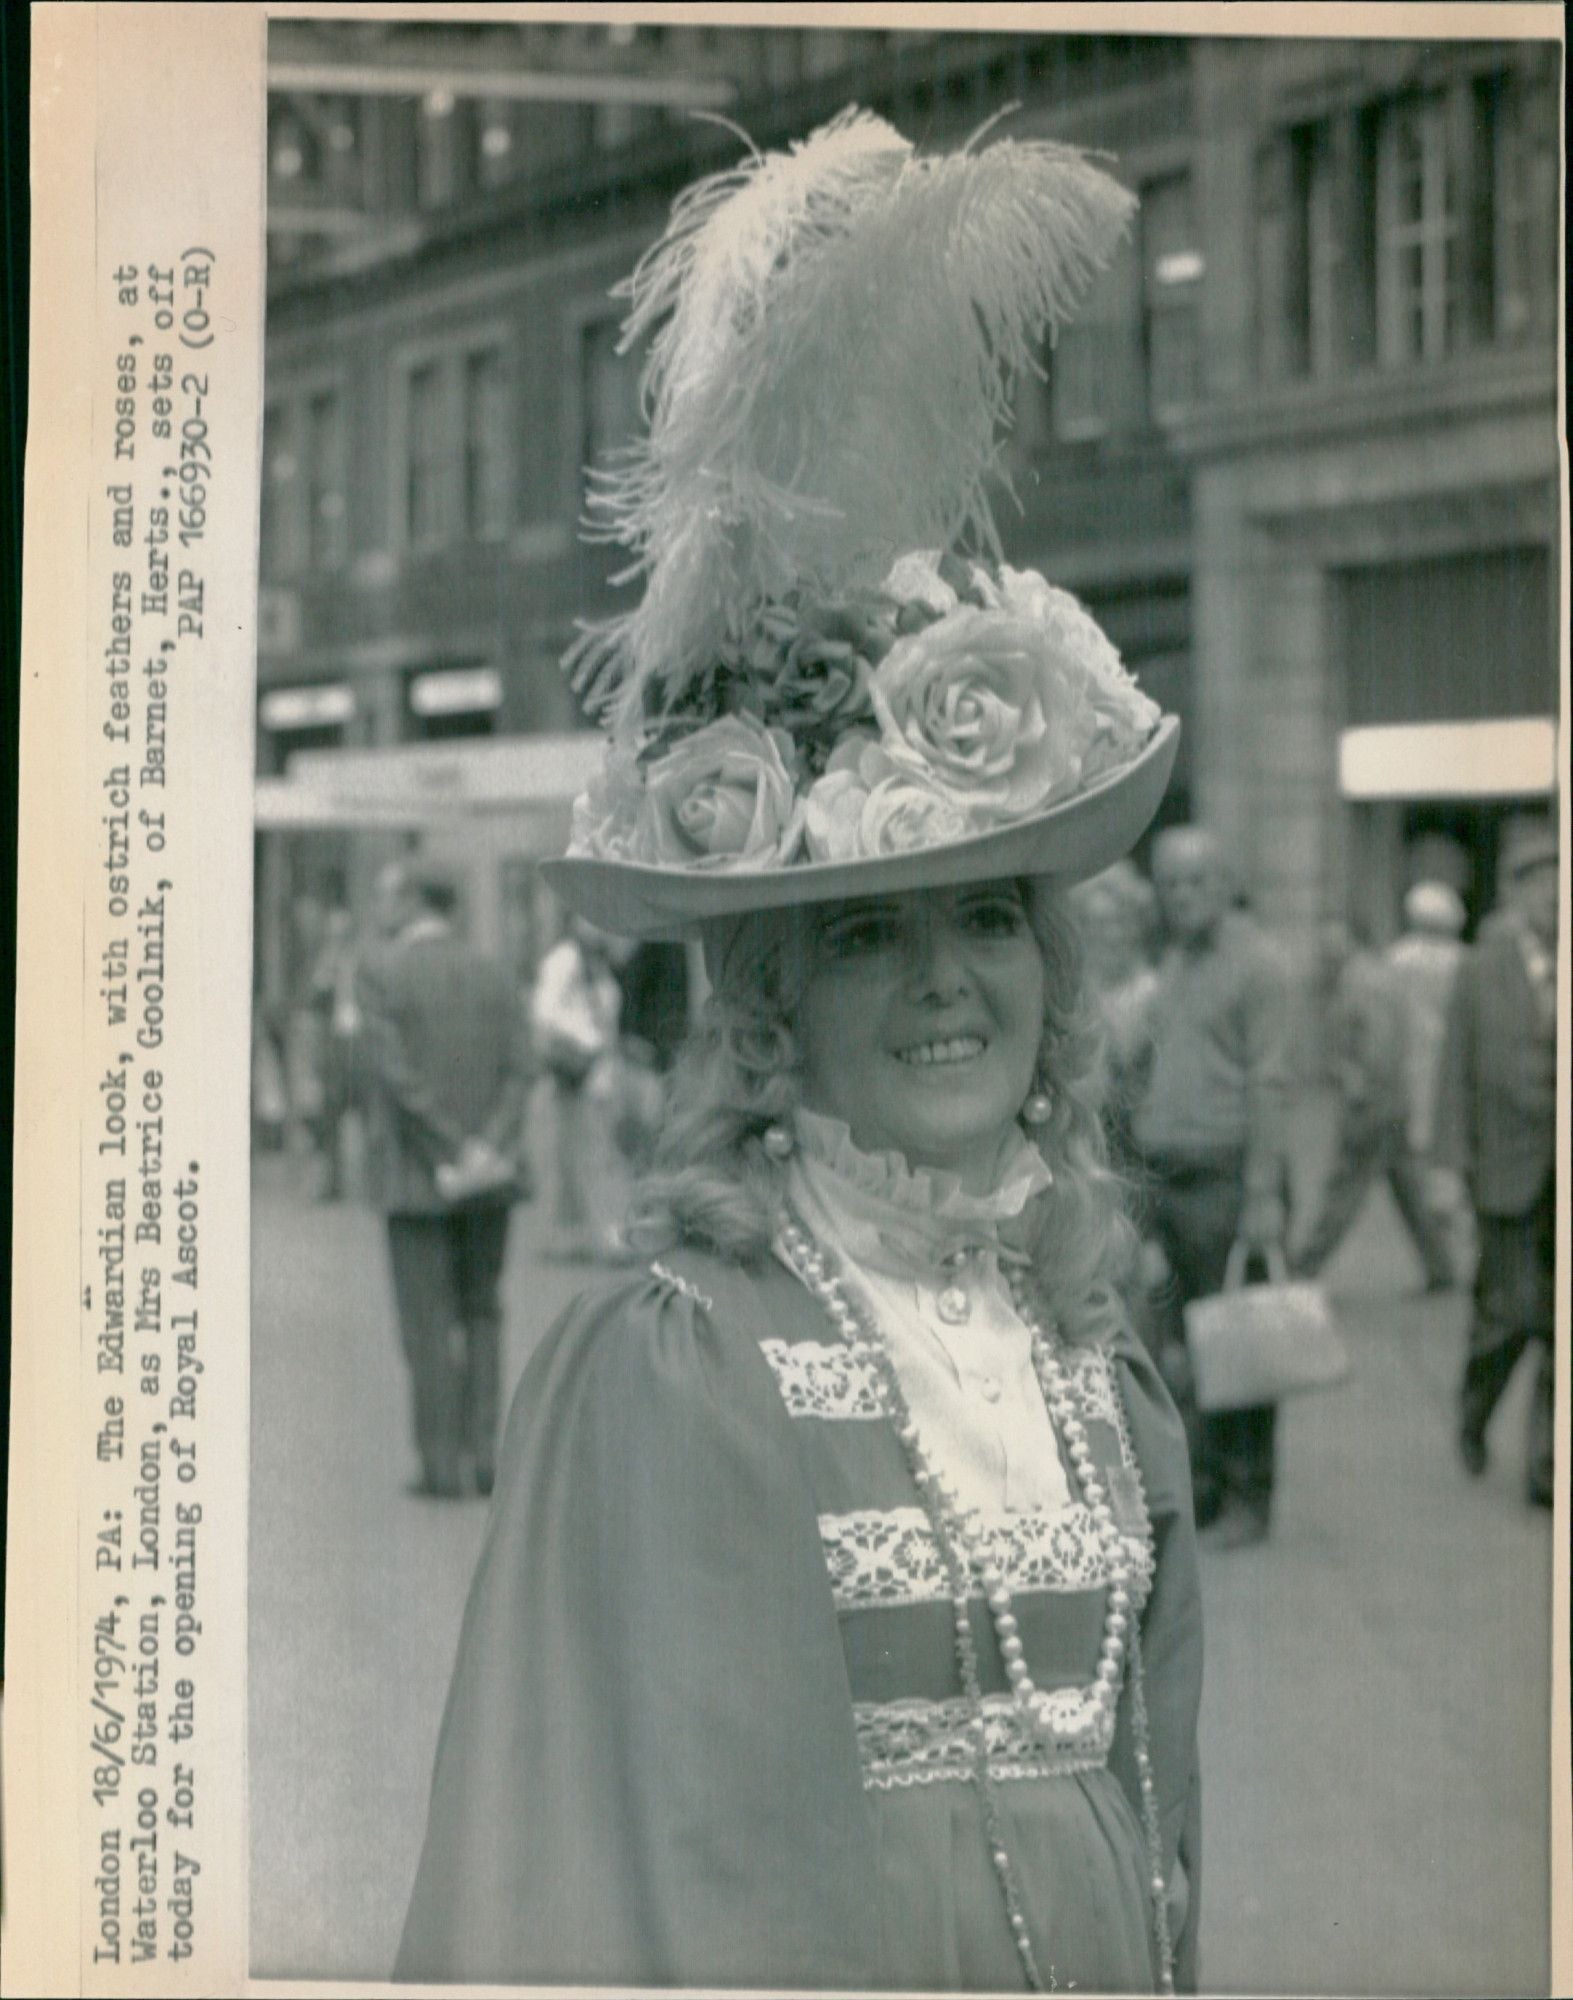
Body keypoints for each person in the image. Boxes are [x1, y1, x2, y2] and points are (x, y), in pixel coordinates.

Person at [397, 112, 1201, 1993]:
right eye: (865, 926)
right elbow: (641, 1877)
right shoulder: (671, 1357)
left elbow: (1163, 1807)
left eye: (987, 914)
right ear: (771, 1001)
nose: (945, 981)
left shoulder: (1086, 1344)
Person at [1131, 827, 1293, 1549]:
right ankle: (1204, 1486)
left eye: (1196, 881)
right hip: (1168, 1175)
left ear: (1225, 883)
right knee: (1189, 1346)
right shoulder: (1172, 961)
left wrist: (1262, 1193)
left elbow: (1271, 1080)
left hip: (1225, 1177)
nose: (1181, 896)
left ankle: (1249, 1496)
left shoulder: (1258, 965)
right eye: (1169, 884)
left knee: (1241, 1343)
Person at [358, 862, 532, 1499]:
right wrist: (488, 1146)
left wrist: (450, 1147)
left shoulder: (383, 975)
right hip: (493, 1177)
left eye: (387, 896)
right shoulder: (495, 971)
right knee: (483, 1310)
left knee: (427, 1323)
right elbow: (522, 1066)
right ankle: (486, 1453)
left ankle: (439, 1463)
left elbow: (395, 1079)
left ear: (409, 902)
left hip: (417, 1178)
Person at [1435, 818, 1559, 1507]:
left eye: (1559, 884)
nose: (1553, 899)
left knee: (1557, 1323)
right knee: (1508, 1315)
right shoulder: (1479, 969)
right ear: (1514, 896)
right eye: (1538, 886)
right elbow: (1452, 1070)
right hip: (1503, 1172)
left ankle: (1546, 1464)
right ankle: (1473, 1406)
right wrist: (1446, 1167)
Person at [1291, 921, 1454, 1292]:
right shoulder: (1375, 976)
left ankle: (1303, 1268)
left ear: (1348, 945)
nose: (1322, 958)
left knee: (1343, 1189)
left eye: (1329, 949)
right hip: (1391, 1102)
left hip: (1373, 1105)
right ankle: (1442, 1267)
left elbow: (1378, 1046)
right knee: (1409, 1187)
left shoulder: (1361, 983)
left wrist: (1357, 1081)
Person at [529, 916, 625, 1258]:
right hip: (579, 1072)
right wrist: (588, 1042)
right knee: (591, 1154)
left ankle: (573, 1235)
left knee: (578, 1154)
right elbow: (545, 1013)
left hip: (594, 1073)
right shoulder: (565, 961)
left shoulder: (596, 965)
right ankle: (599, 1233)